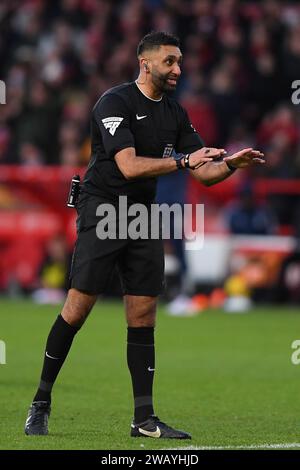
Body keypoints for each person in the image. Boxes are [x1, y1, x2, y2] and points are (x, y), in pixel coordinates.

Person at [24, 31, 264, 439]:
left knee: (143, 314)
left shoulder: (175, 113)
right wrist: (185, 160)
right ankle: (41, 402)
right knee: (78, 308)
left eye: (180, 61)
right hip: (103, 209)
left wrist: (231, 165)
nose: (177, 69)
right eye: (169, 61)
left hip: (143, 214)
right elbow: (130, 167)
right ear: (146, 63)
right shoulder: (114, 103)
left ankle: (143, 419)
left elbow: (203, 171)